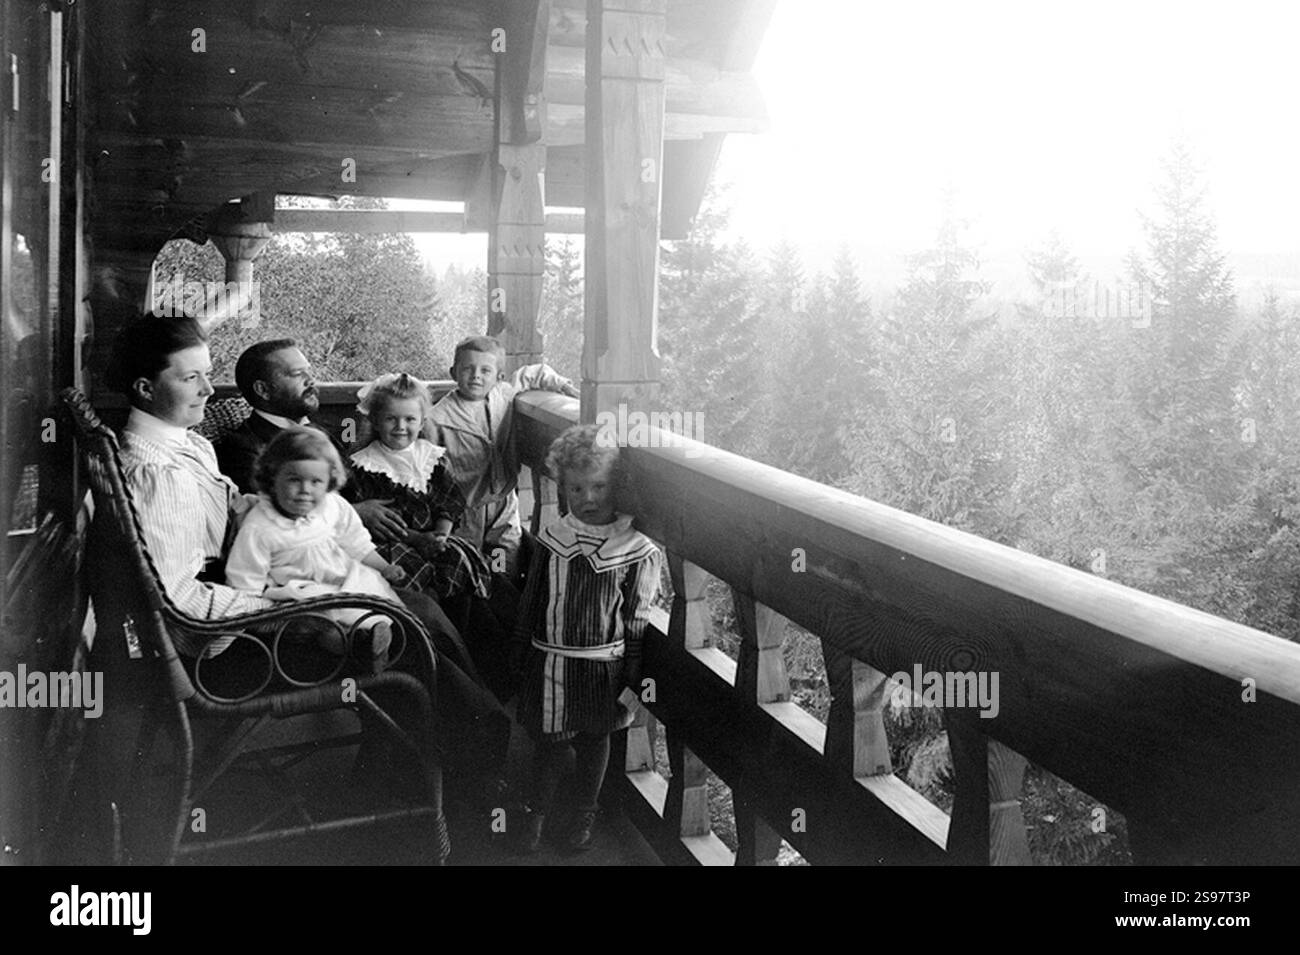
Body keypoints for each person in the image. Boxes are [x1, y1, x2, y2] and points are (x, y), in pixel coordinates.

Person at [511, 424, 661, 853]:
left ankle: (582, 814)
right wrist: (519, 654)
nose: (588, 498)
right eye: (576, 489)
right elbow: (532, 600)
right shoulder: (554, 537)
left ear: (617, 486)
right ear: (563, 489)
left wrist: (631, 674)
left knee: (596, 740)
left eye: (599, 487)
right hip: (550, 662)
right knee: (550, 744)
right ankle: (533, 813)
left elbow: (636, 618)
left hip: (603, 666)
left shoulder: (634, 547)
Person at [345, 372, 516, 696]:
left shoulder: (431, 457)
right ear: (376, 421)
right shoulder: (363, 465)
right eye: (390, 419)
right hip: (393, 544)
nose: (400, 427)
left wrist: (440, 534)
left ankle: (470, 643)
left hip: (429, 537)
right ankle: (442, 655)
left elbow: (449, 501)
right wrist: (416, 539)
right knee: (414, 574)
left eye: (410, 419)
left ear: (422, 420)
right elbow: (372, 524)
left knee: (459, 557)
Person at [226, 427, 407, 672]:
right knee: (325, 623)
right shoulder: (260, 527)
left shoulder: (332, 505)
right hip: (301, 590)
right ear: (271, 478)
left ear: (329, 482)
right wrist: (264, 617)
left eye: (316, 482)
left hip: (344, 576)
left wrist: (384, 567)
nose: (305, 490)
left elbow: (355, 542)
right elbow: (245, 579)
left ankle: (379, 640)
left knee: (378, 603)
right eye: (293, 480)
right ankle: (359, 647)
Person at [215, 339, 406, 545]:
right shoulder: (241, 447)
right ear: (263, 390)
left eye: (309, 371)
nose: (311, 381)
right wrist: (355, 513)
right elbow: (273, 516)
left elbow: (350, 473)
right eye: (297, 374)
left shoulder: (316, 429)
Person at [428, 336, 578, 579]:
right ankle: (475, 608)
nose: (476, 376)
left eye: (485, 370)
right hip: (465, 513)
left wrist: (562, 385)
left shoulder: (503, 395)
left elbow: (533, 373)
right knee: (466, 568)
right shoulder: (438, 418)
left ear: (498, 377)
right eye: (468, 368)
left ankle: (503, 601)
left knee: (504, 564)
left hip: (504, 506)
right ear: (454, 372)